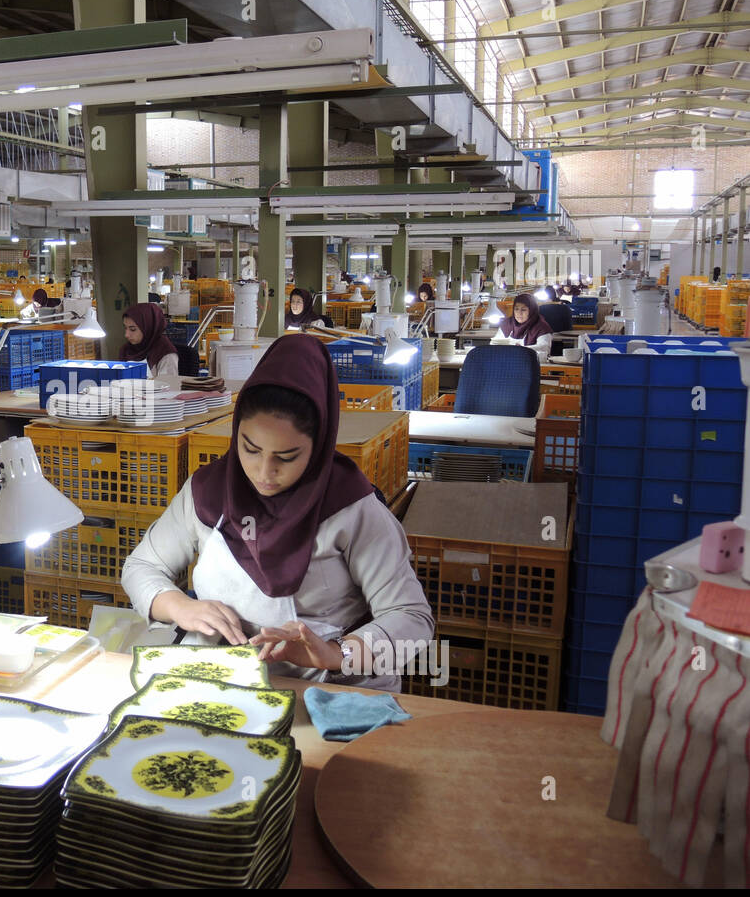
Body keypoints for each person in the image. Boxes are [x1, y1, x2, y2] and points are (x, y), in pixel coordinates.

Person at [121, 334, 433, 691]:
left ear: (318, 447)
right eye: (250, 449)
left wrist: (335, 654)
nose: (263, 473)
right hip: (225, 683)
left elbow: (411, 618)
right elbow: (141, 567)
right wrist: (179, 606)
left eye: (286, 458)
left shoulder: (352, 510)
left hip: (331, 692)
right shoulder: (207, 492)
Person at [120, 302, 180, 381]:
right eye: (125, 328)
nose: (126, 335)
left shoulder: (165, 352)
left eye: (132, 329)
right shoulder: (127, 349)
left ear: (148, 327)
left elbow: (168, 386)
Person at [493, 292, 553, 361]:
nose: (519, 313)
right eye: (516, 309)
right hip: (506, 362)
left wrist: (522, 349)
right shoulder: (507, 324)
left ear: (532, 310)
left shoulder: (542, 327)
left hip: (530, 363)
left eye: (523, 310)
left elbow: (544, 348)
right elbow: (495, 343)